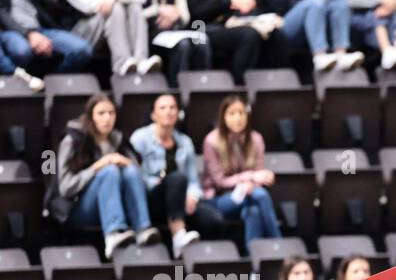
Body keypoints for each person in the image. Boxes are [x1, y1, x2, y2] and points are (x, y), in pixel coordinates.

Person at [47, 93, 157, 259]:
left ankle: (142, 228)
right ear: (91, 116)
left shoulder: (118, 140)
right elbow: (66, 188)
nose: (107, 118)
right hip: (77, 207)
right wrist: (99, 165)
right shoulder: (73, 139)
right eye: (101, 113)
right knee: (109, 171)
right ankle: (113, 233)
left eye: (111, 113)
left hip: (116, 202)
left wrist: (126, 162)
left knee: (131, 170)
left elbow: (140, 178)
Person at [131, 93, 220, 256]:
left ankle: (203, 263)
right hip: (151, 198)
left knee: (213, 220)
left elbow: (193, 180)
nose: (169, 112)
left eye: (172, 107)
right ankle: (178, 235)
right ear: (153, 114)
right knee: (177, 178)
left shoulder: (185, 142)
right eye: (163, 108)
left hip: (179, 198)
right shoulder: (140, 138)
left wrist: (192, 196)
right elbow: (134, 176)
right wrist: (155, 183)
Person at [201, 94, 281, 249]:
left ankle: (253, 263)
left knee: (254, 212)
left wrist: (255, 182)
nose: (237, 118)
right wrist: (250, 177)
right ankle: (278, 242)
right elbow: (220, 181)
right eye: (232, 113)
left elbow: (259, 176)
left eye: (241, 113)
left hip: (248, 197)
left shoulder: (256, 139)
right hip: (218, 200)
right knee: (261, 195)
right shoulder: (211, 141)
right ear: (223, 116)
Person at [63, 0, 161, 76]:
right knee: (116, 8)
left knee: (135, 7)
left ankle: (141, 60)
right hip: (79, 34)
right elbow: (88, 4)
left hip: (112, 24)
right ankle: (121, 64)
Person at [6, 0, 96, 76]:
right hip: (11, 31)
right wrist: (28, 34)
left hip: (42, 29)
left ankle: (54, 85)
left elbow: (53, 2)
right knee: (21, 51)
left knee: (81, 50)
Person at [186, 0, 266, 85]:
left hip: (236, 21)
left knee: (272, 32)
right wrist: (229, 1)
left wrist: (250, 2)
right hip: (204, 28)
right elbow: (196, 14)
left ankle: (274, 87)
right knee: (249, 35)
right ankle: (240, 88)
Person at [269, 0, 360, 72]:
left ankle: (341, 56)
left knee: (339, 3)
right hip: (282, 23)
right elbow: (277, 3)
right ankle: (320, 56)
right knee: (314, 2)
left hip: (315, 18)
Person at [144, 0, 211, 87]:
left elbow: (186, 18)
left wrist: (176, 13)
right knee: (183, 45)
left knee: (201, 42)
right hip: (151, 35)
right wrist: (158, 10)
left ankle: (202, 89)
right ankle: (178, 91)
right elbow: (136, 14)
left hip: (174, 32)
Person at [345, 0, 396, 69]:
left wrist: (390, 3)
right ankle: (387, 51)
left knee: (390, 11)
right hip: (352, 19)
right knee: (378, 15)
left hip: (374, 17)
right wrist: (381, 0)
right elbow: (347, 0)